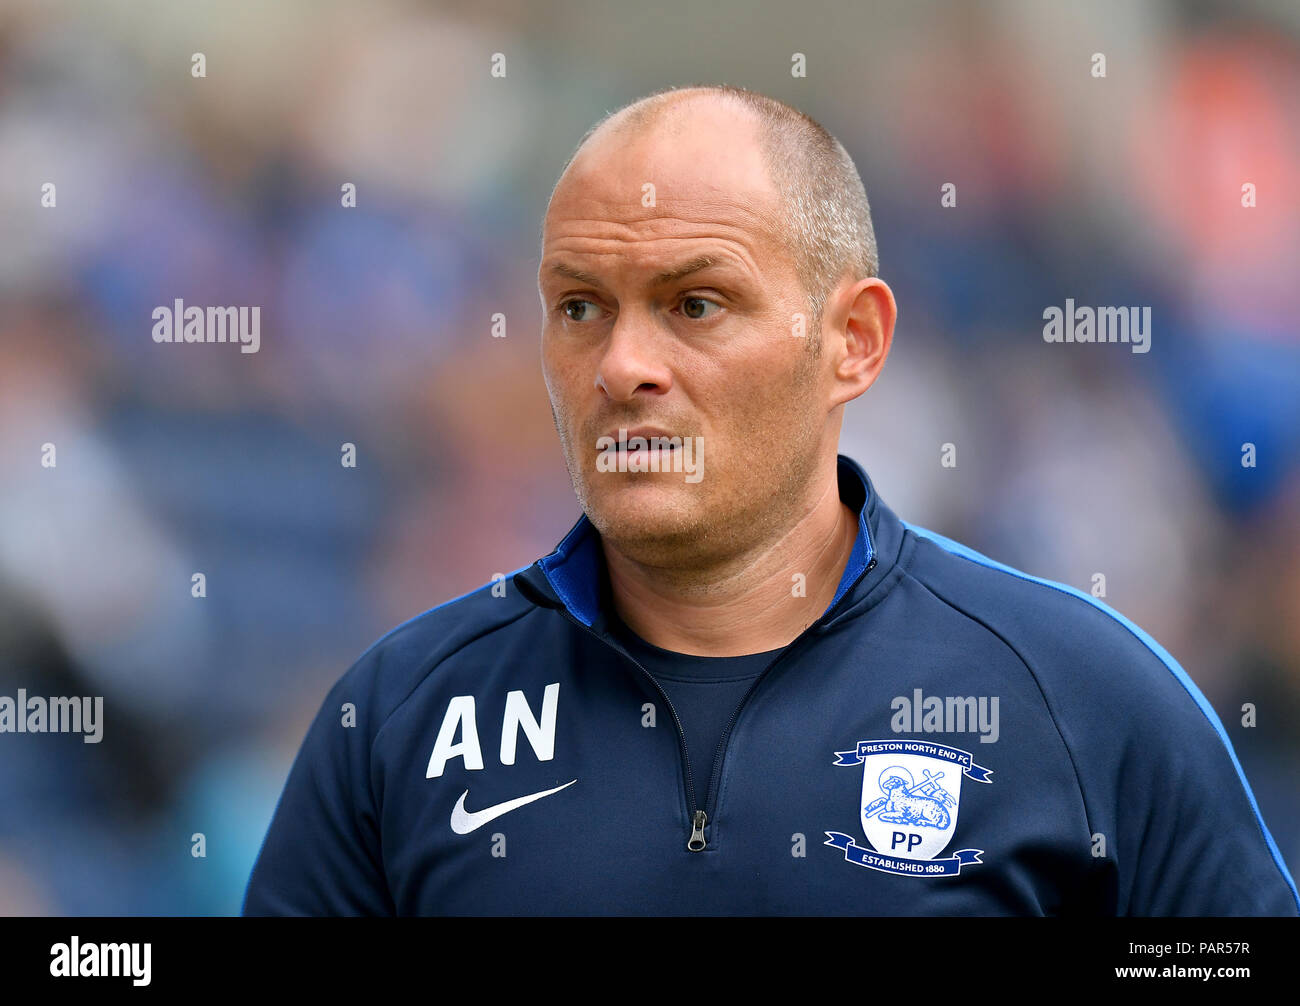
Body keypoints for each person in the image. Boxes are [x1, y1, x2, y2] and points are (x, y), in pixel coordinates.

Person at [242, 84, 1298, 916]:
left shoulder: (1089, 702)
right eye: (579, 306)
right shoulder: (400, 717)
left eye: (695, 303)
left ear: (854, 342)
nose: (621, 364)